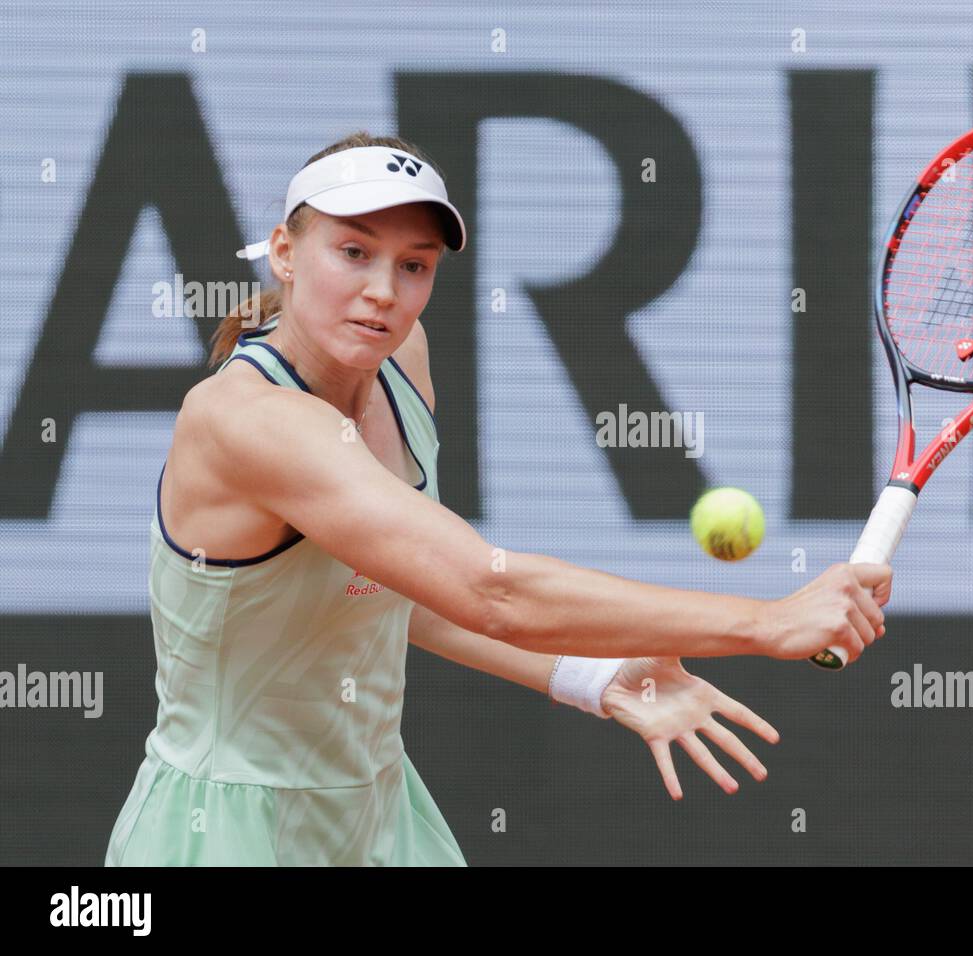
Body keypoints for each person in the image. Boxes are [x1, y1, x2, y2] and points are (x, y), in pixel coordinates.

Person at [104, 131, 891, 866]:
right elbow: (490, 588)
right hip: (224, 834)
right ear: (284, 252)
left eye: (414, 265)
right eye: (352, 252)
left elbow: (406, 593)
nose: (383, 291)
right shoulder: (247, 419)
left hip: (378, 813)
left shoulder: (401, 360)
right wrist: (765, 621)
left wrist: (596, 675)